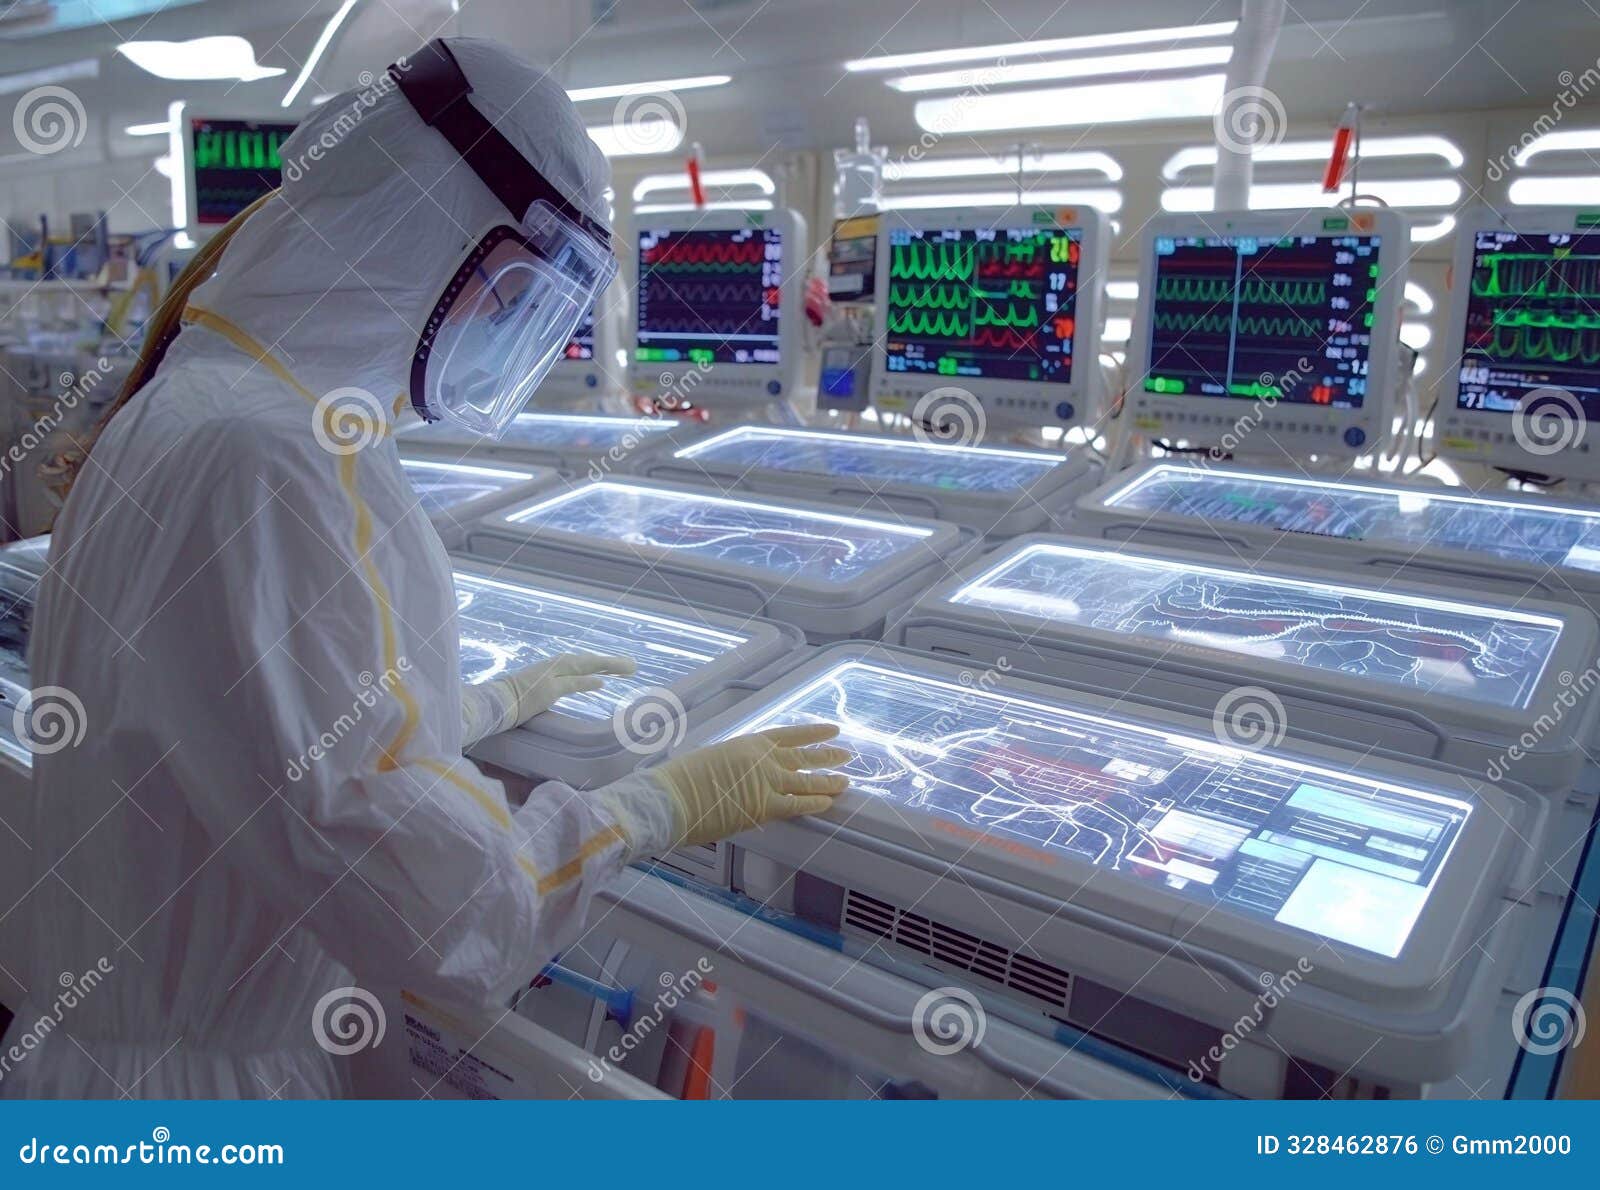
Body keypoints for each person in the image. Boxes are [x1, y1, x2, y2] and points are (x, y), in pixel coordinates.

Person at [0, 38, 848, 1099]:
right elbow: (446, 910)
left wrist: (477, 705)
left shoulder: (199, 399)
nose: (501, 338)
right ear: (428, 240)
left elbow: (252, 734)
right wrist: (651, 806)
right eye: (512, 299)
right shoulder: (276, 460)